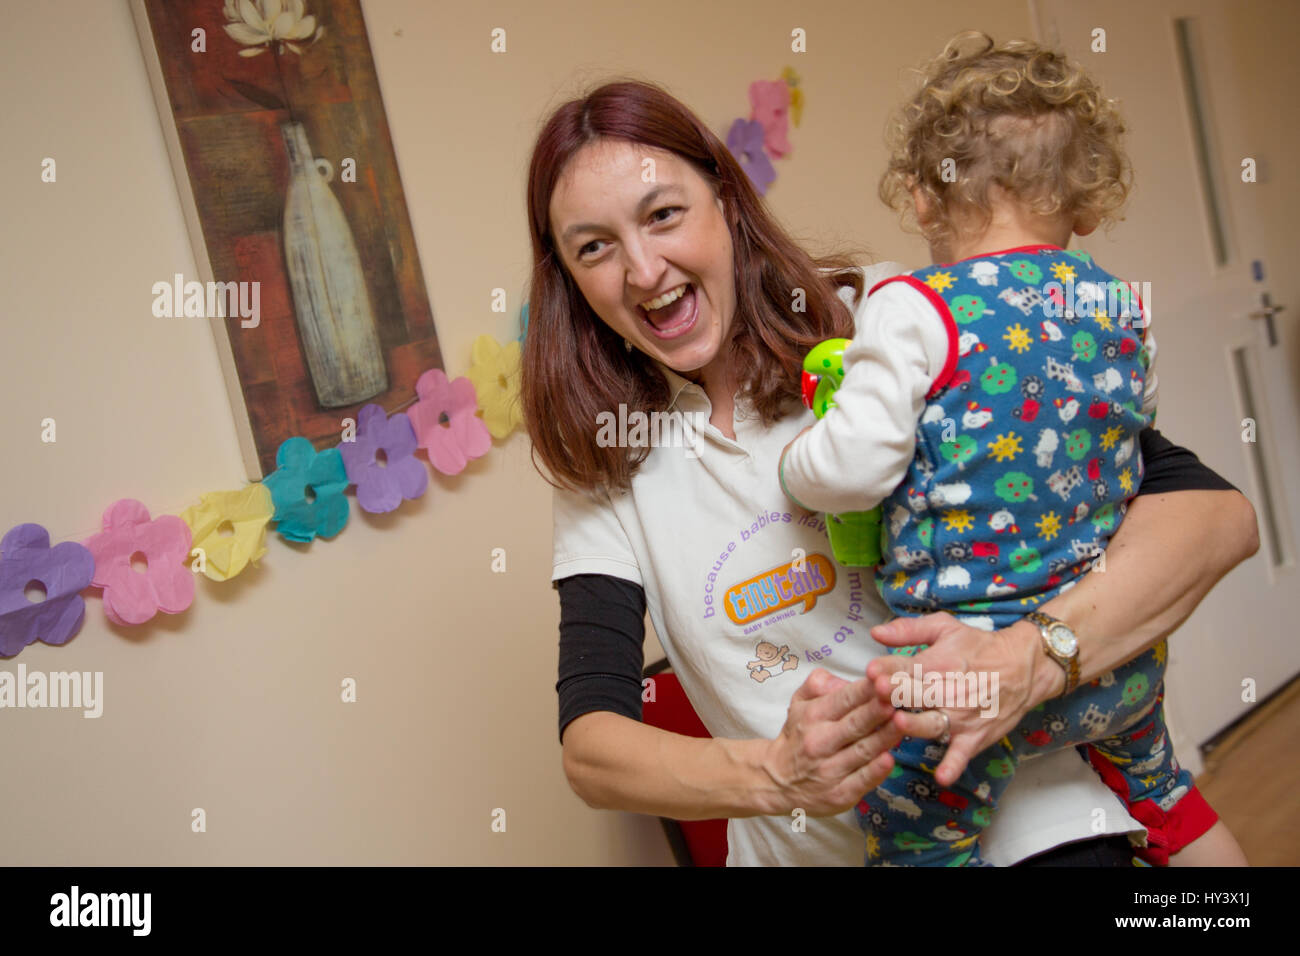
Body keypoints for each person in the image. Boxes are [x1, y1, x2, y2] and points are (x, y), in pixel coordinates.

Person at [520, 78, 1257, 866]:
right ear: (568, 276)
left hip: (1033, 830)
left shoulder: (893, 320)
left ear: (727, 203)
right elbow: (591, 748)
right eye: (593, 247)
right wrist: (777, 773)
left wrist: (1028, 661)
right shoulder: (608, 459)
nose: (641, 269)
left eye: (663, 215)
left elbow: (1215, 518)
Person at [777, 33, 1243, 866]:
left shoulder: (912, 307)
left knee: (916, 841)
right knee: (1168, 795)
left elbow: (853, 474)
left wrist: (798, 460)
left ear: (921, 197)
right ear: (1088, 203)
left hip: (968, 679)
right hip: (1114, 663)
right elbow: (1128, 437)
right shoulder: (1120, 305)